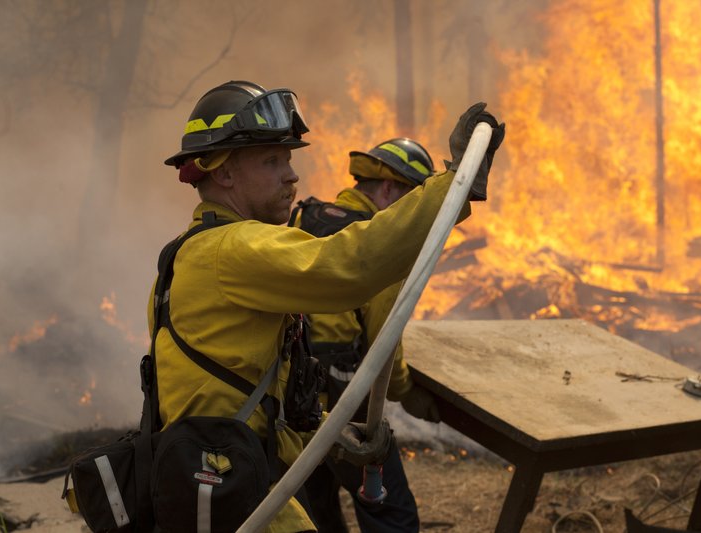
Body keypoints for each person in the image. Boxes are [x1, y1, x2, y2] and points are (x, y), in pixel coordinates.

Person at [152, 79, 505, 532]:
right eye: (273, 160)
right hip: (230, 482)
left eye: (289, 159)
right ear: (224, 173)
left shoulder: (186, 254)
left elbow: (234, 387)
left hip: (224, 475)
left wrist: (331, 433)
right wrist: (454, 185)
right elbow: (348, 265)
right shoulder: (234, 249)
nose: (292, 175)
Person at [289, 137, 442, 533]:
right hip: (345, 400)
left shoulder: (304, 218)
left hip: (293, 395)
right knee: (392, 513)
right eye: (412, 201)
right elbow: (383, 340)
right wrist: (407, 391)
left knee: (315, 508)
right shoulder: (378, 239)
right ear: (390, 188)